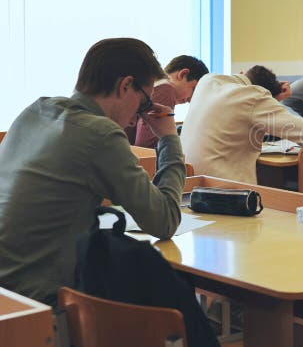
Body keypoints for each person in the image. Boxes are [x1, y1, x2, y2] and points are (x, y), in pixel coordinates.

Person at [0, 38, 185, 305]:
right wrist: (168, 139)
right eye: (144, 103)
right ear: (125, 85)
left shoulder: (35, 111)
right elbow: (165, 221)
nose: (137, 118)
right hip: (38, 305)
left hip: (6, 295)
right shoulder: (100, 133)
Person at [180, 65, 303, 184]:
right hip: (224, 194)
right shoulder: (254, 96)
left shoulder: (207, 81)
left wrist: (273, 98)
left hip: (188, 184)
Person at [132, 55, 209, 148]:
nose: (190, 100)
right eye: (194, 90)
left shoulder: (157, 85)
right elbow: (146, 146)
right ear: (183, 74)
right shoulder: (166, 89)